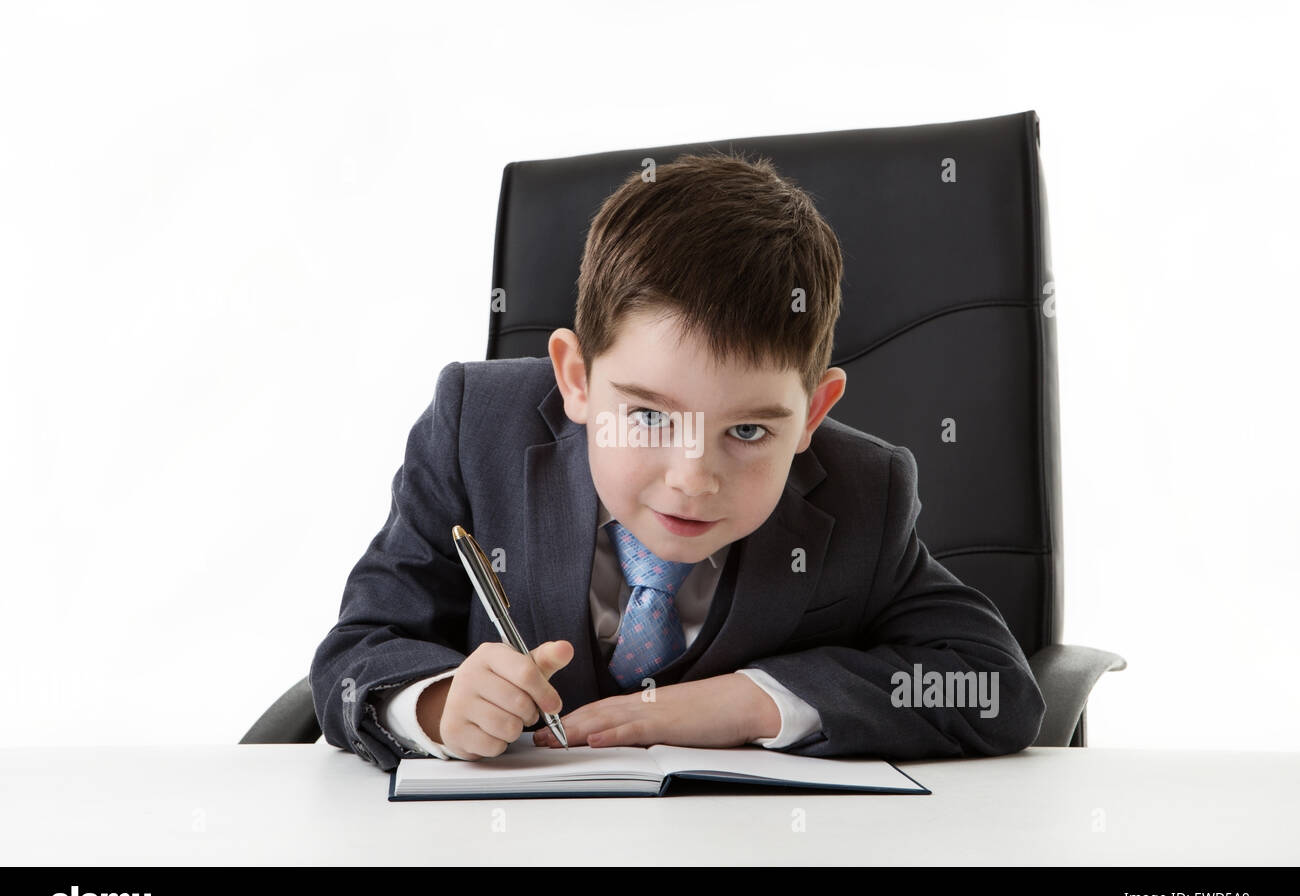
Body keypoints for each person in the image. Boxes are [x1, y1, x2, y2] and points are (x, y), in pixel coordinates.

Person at [310, 151, 1046, 771]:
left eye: (750, 432)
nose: (693, 478)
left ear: (812, 416)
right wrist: (433, 705)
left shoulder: (864, 494)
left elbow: (992, 687)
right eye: (651, 416)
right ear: (576, 379)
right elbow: (355, 653)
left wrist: (753, 700)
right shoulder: (477, 429)